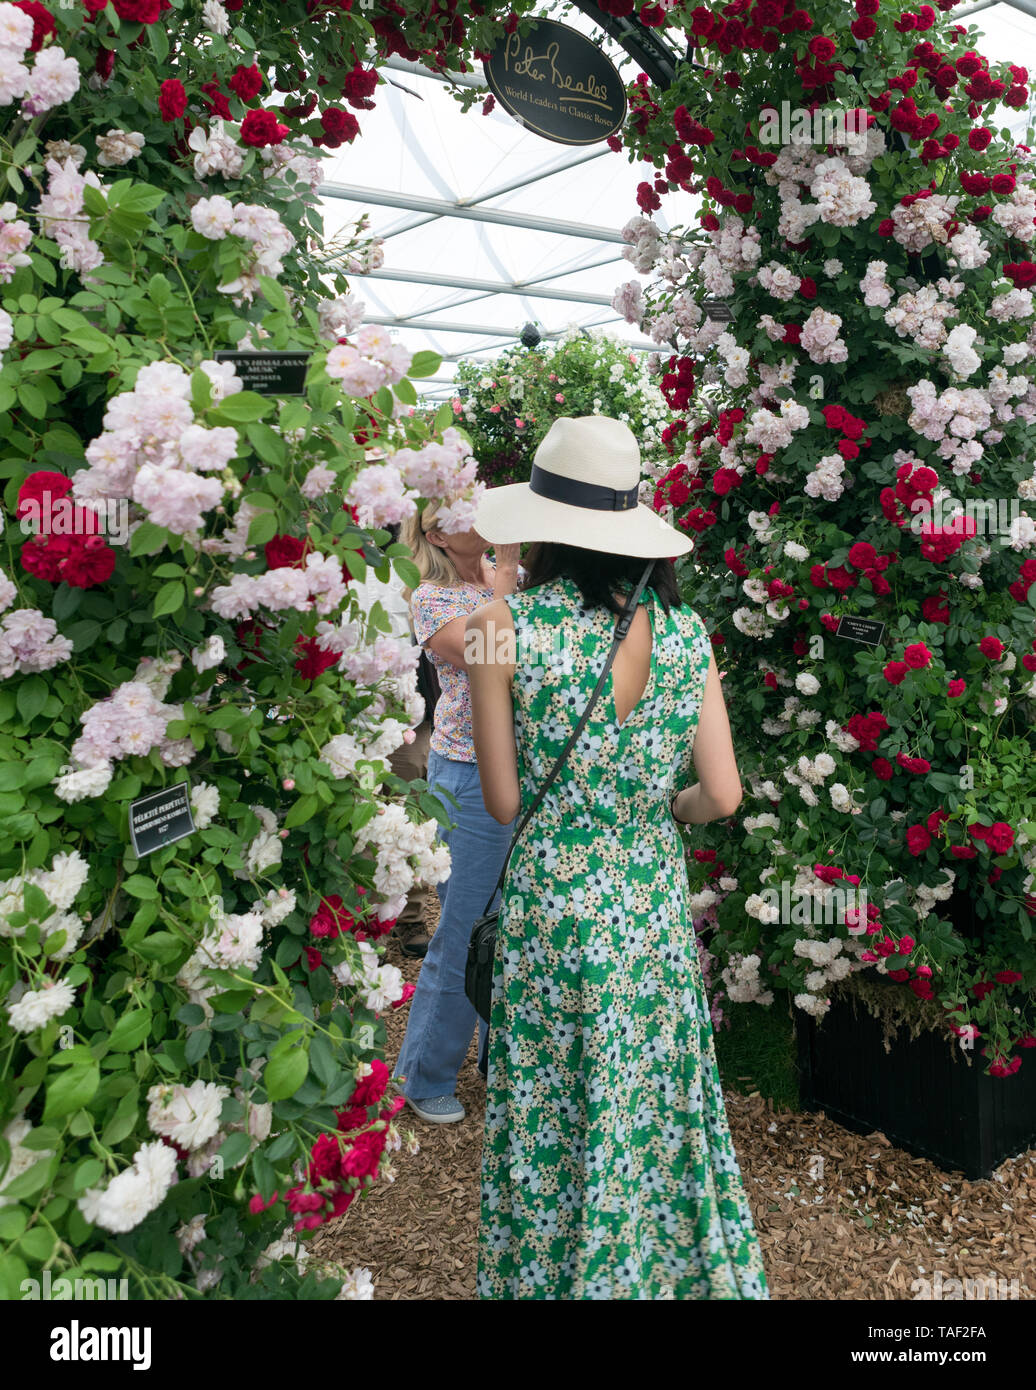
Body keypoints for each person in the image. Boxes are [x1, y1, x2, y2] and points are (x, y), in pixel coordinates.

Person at [465, 414, 768, 1300]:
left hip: (555, 908)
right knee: (652, 1104)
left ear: (545, 521)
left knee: (554, 1116)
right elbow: (722, 796)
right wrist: (654, 807)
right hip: (649, 910)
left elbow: (505, 802)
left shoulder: (498, 623)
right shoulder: (687, 634)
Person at [390, 502, 520, 1123]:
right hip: (467, 774)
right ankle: (424, 1073)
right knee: (466, 926)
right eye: (463, 511)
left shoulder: (499, 574)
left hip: (525, 772)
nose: (482, 513)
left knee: (517, 925)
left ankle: (506, 1063)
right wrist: (514, 566)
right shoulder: (433, 597)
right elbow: (491, 651)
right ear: (438, 533)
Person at [347, 521, 435, 957]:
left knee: (409, 813)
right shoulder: (340, 570)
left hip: (407, 715)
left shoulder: (413, 570)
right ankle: (361, 918)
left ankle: (410, 915)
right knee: (358, 815)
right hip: (349, 713)